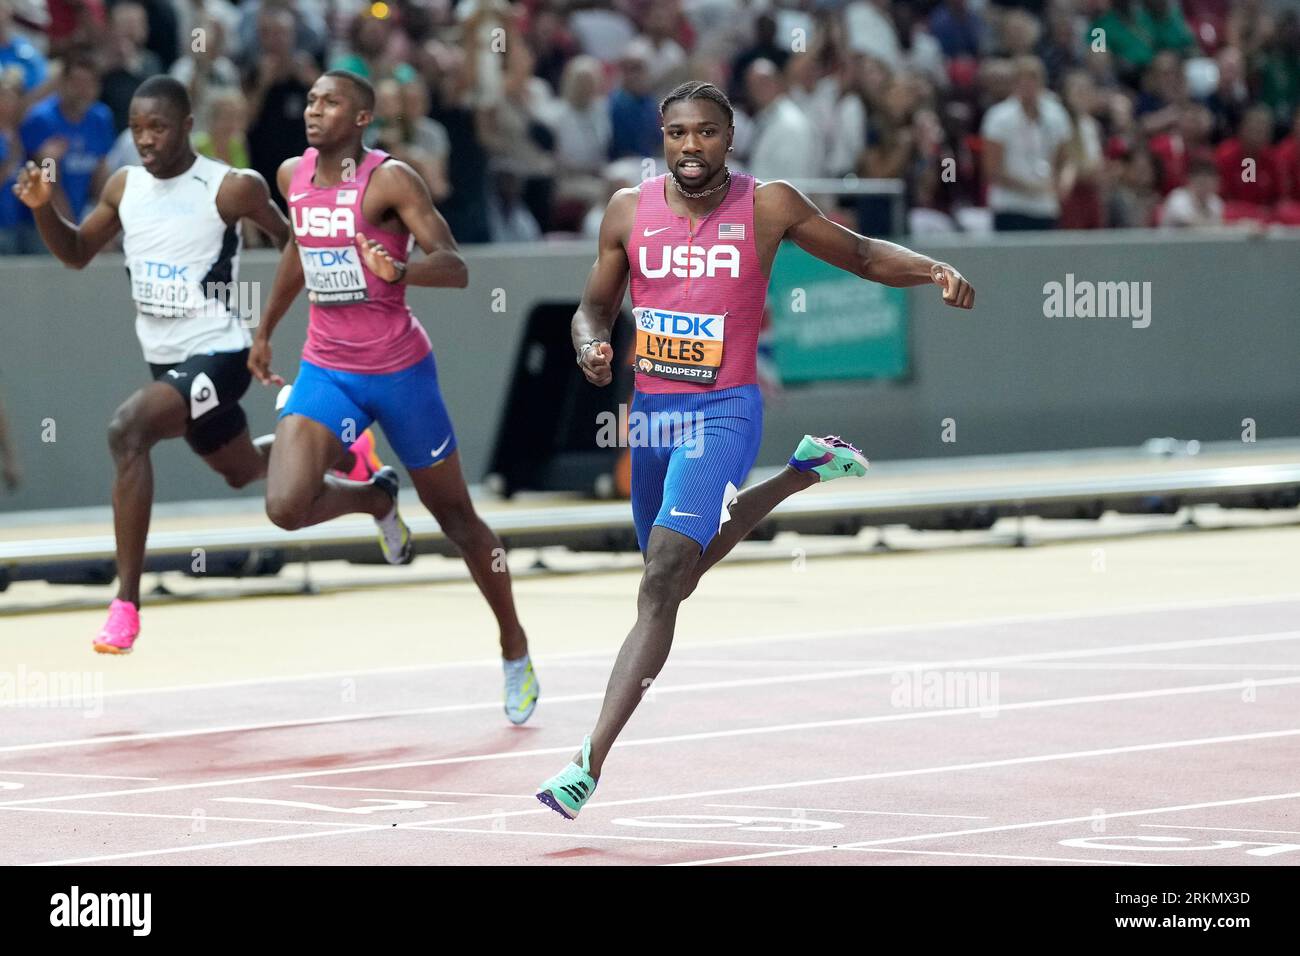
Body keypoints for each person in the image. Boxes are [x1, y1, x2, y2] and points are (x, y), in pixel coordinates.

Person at [535, 81, 974, 819]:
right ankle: (803, 471)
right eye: (676, 134)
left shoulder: (768, 205)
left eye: (705, 133)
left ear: (730, 138)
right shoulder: (625, 210)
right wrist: (589, 345)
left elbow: (863, 254)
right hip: (652, 418)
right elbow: (594, 308)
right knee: (671, 579)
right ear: (662, 141)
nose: (690, 147)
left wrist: (932, 271)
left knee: (664, 575)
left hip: (724, 410)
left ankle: (589, 761)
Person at [11, 75, 372, 653]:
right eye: (135, 130)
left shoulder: (230, 187)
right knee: (238, 470)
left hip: (220, 351)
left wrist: (269, 324)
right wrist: (43, 209)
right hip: (166, 362)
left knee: (127, 432)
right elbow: (77, 253)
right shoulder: (125, 186)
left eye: (157, 128)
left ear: (185, 127)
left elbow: (296, 242)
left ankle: (126, 604)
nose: (145, 140)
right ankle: (356, 470)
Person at [249, 70, 540, 725]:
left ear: (360, 121)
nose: (314, 111)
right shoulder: (293, 172)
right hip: (327, 367)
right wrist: (265, 329)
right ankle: (376, 497)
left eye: (330, 103)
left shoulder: (390, 180)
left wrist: (400, 269)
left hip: (400, 371)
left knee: (458, 520)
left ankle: (514, 645)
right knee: (285, 506)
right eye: (312, 100)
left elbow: (456, 264)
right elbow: (299, 247)